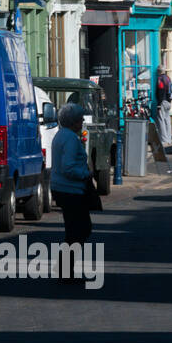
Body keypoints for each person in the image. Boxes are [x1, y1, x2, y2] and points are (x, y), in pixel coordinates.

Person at [49, 103, 95, 283]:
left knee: (75, 229)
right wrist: (86, 174)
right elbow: (68, 167)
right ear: (74, 121)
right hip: (71, 189)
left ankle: (64, 269)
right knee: (80, 229)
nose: (83, 121)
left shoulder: (61, 135)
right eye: (81, 118)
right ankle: (64, 270)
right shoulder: (70, 139)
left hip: (62, 188)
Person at [154, 67, 172, 147]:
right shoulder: (168, 78)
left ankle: (163, 139)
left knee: (161, 120)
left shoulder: (160, 79)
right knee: (167, 120)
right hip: (169, 101)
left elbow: (161, 90)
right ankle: (169, 139)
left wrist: (159, 103)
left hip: (162, 101)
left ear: (158, 72)